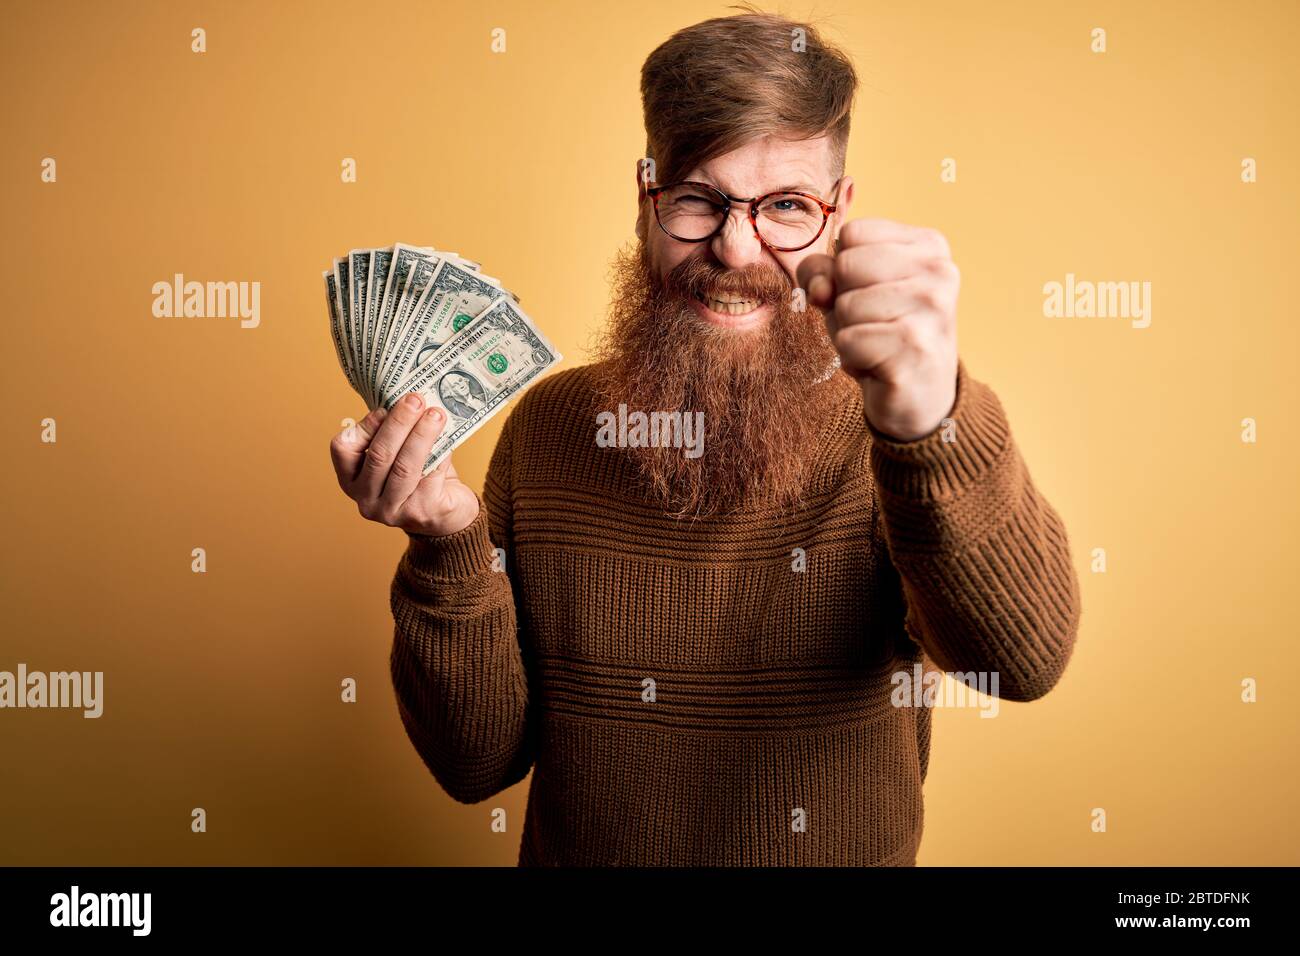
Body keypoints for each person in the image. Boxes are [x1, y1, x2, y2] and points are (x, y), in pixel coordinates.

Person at [329, 9, 1081, 866]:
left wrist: (932, 424)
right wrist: (445, 545)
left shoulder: (898, 437)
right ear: (645, 198)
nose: (734, 247)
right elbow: (478, 764)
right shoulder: (548, 429)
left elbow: (1020, 665)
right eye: (698, 198)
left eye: (786, 206)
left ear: (838, 214)